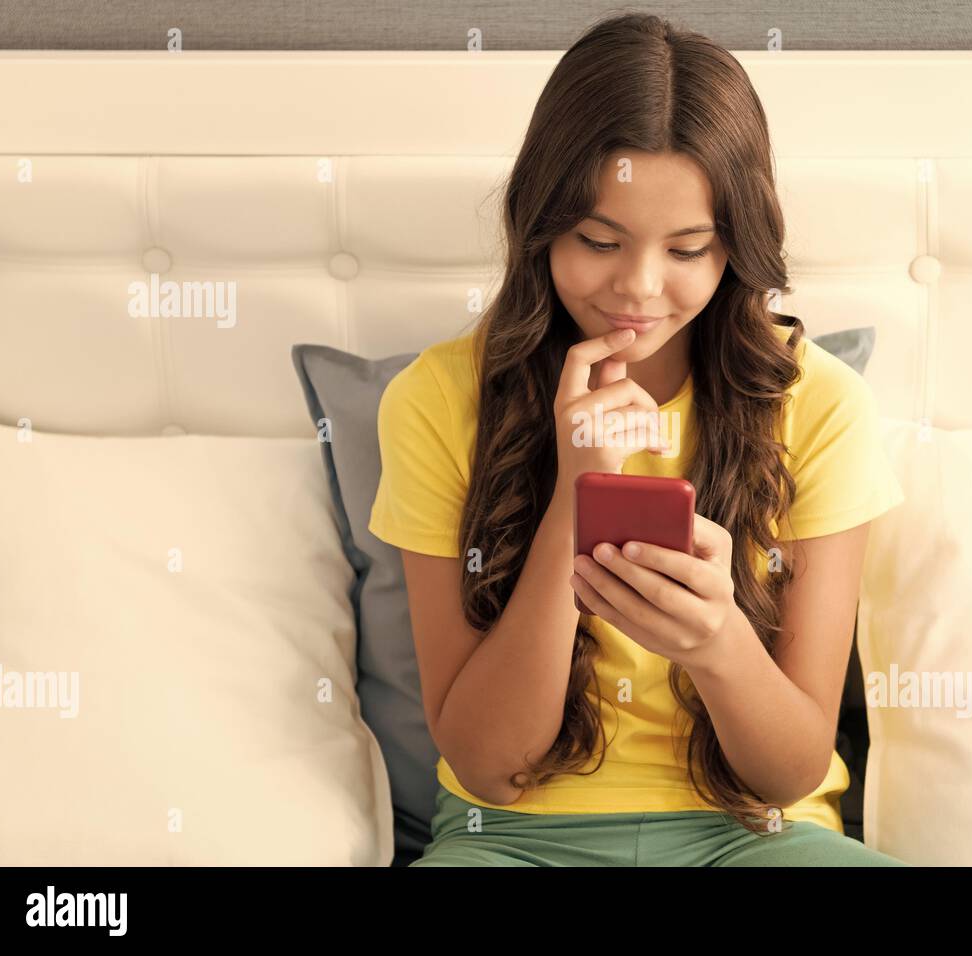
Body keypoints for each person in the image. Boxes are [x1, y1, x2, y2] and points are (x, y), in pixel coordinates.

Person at [368, 12, 908, 866]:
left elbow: (791, 769)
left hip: (756, 835)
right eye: (598, 241)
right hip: (511, 838)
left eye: (688, 248)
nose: (638, 289)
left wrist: (719, 641)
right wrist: (572, 503)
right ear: (540, 224)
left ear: (737, 246)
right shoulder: (437, 401)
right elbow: (487, 762)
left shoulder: (820, 405)